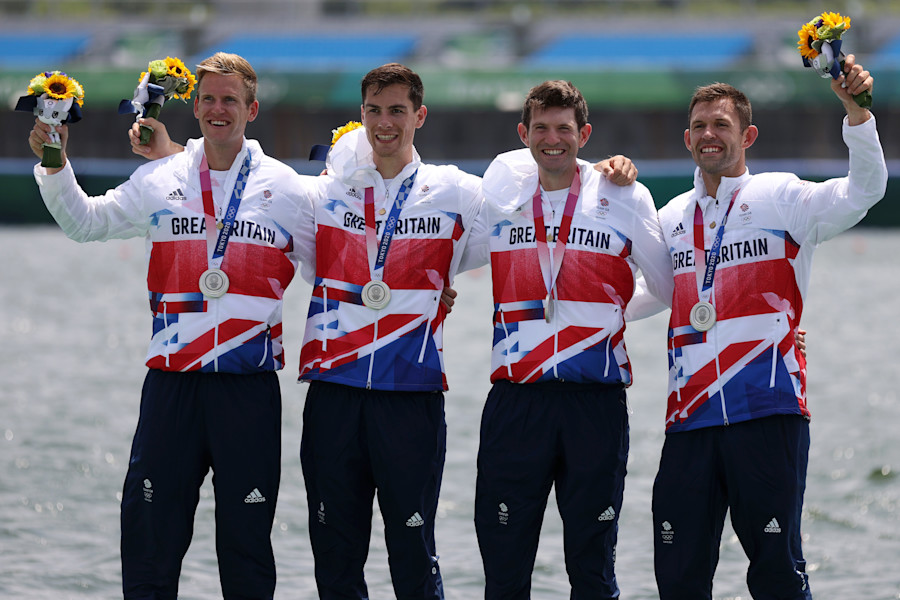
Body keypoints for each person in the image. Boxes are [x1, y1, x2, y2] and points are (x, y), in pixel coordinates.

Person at [27, 52, 318, 599]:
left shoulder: (288, 190)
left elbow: (332, 272)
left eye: (230, 99)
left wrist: (427, 290)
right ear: (196, 106)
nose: (217, 109)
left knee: (247, 549)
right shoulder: (159, 178)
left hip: (248, 390)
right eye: (207, 98)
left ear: (251, 109)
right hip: (172, 386)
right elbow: (86, 223)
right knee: (149, 544)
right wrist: (53, 166)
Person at [651, 55, 886, 599]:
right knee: (678, 577)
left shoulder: (783, 197)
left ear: (748, 135)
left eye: (722, 125)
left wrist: (857, 116)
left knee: (777, 574)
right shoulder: (669, 217)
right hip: (689, 419)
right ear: (687, 138)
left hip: (769, 410)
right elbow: (647, 294)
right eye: (700, 126)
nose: (710, 135)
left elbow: (864, 190)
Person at [464, 80, 673, 599]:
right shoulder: (500, 193)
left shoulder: (624, 192)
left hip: (594, 402)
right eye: (541, 129)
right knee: (504, 568)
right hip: (518, 400)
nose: (552, 139)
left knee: (592, 566)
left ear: (585, 134)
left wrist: (606, 315)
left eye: (564, 129)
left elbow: (667, 285)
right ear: (523, 134)